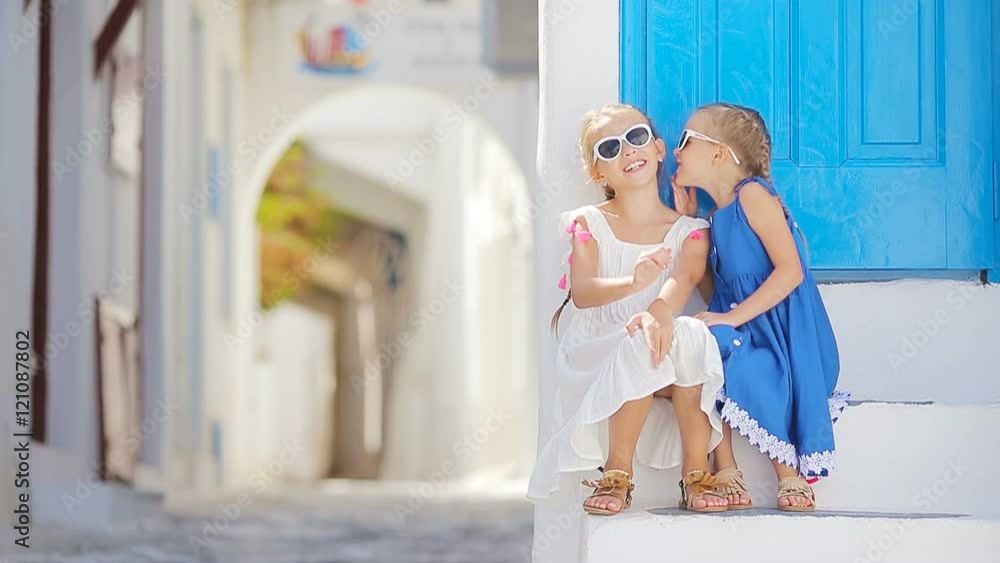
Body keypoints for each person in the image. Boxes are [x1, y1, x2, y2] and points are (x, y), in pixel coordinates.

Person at [526, 104, 729, 514]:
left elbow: (682, 283)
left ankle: (695, 473)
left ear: (656, 149)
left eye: (636, 138)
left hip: (657, 339)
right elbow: (582, 292)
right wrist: (632, 283)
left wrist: (653, 310)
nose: (627, 151)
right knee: (641, 334)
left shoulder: (690, 232)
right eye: (609, 147)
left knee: (687, 333)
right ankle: (617, 471)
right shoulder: (588, 222)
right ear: (599, 174)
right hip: (597, 348)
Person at [672, 102, 849, 511]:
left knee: (755, 366)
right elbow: (716, 289)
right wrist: (690, 224)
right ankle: (725, 464)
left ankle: (787, 471)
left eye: (685, 141)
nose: (676, 151)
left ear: (718, 153)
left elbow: (790, 273)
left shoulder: (752, 195)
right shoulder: (716, 218)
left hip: (784, 332)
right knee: (706, 344)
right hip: (743, 328)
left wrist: (732, 318)